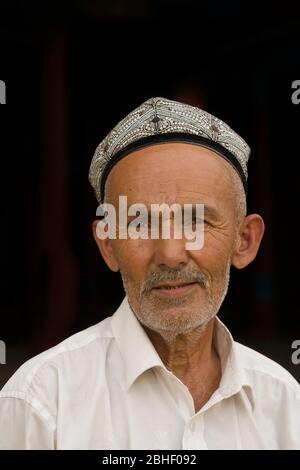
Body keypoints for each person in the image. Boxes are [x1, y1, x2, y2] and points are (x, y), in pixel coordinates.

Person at [1, 97, 299, 449]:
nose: (171, 255)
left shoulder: (284, 403)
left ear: (245, 240)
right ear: (108, 245)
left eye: (198, 221)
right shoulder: (41, 401)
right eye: (139, 225)